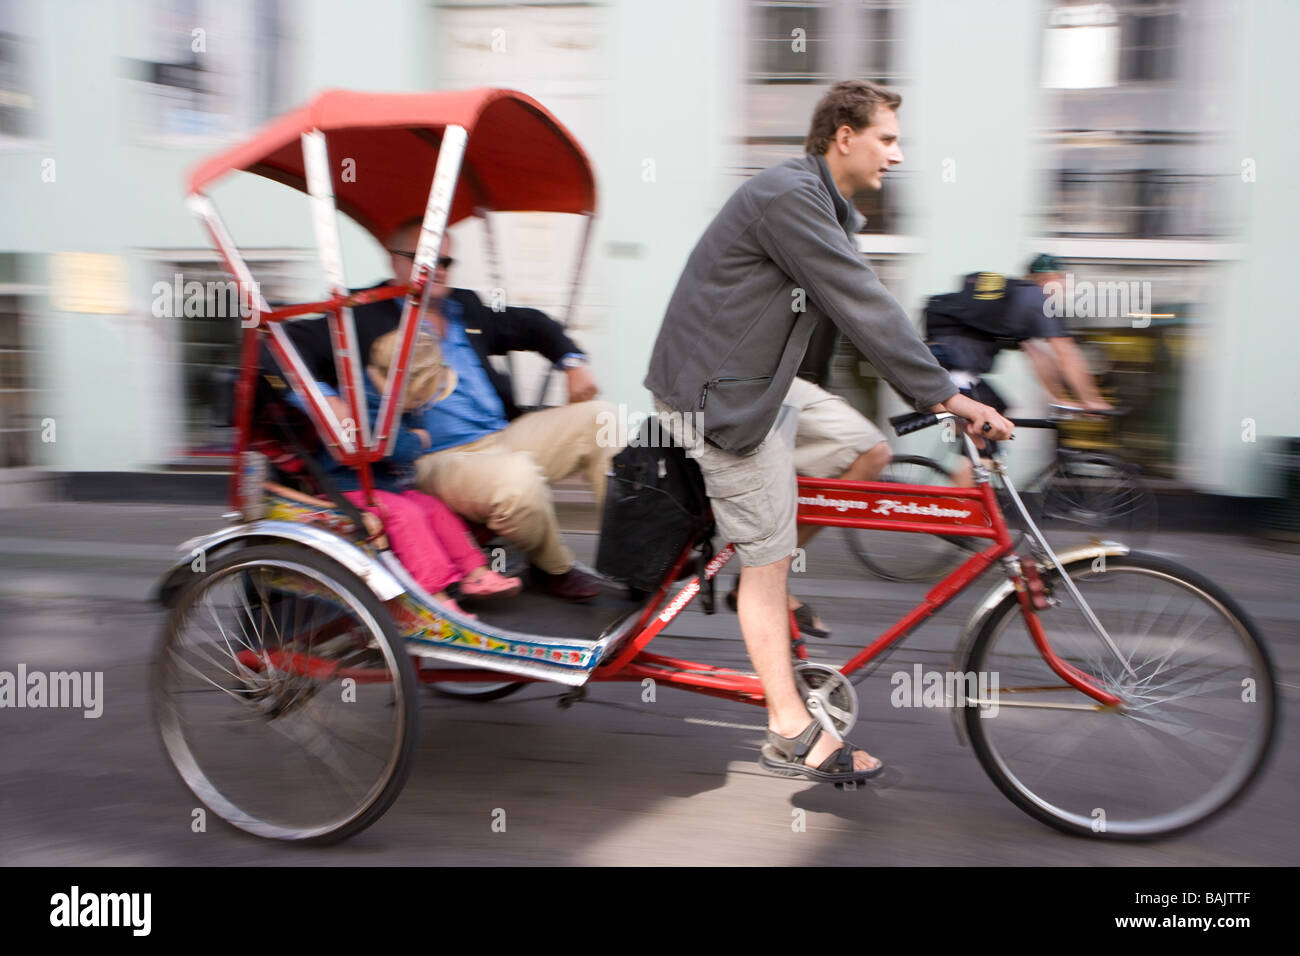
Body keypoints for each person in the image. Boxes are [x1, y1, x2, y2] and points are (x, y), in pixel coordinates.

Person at [644, 79, 1014, 785]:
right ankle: (788, 726)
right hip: (716, 393)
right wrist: (945, 396)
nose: (898, 156)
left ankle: (768, 576)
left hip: (764, 377)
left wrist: (929, 396)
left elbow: (836, 321)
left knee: (863, 448)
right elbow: (862, 301)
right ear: (844, 135)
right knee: (768, 551)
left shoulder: (824, 205)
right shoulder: (791, 196)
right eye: (888, 139)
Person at [360, 221, 617, 601]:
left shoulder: (465, 306)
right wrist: (322, 393)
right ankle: (554, 568)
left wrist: (572, 362)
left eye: (445, 259)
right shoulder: (364, 314)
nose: (439, 267)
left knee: (603, 419)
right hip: (435, 458)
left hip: (499, 436)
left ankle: (630, 559)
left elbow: (533, 323)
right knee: (517, 482)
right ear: (394, 262)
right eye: (424, 258)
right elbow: (296, 345)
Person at [312, 329, 523, 617]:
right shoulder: (363, 399)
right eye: (416, 401)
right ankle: (434, 594)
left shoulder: (393, 393)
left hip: (385, 484)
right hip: (349, 487)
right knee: (406, 516)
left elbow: (411, 427)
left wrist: (412, 433)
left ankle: (475, 573)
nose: (417, 408)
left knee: (434, 508)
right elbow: (397, 447)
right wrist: (418, 439)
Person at [926, 254, 1113, 486]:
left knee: (992, 420)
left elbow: (1038, 356)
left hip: (949, 367)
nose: (1063, 287)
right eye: (1061, 280)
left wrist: (1060, 398)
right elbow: (1066, 352)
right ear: (1049, 279)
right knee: (984, 439)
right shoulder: (1037, 297)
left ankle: (968, 501)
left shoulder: (1017, 297)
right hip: (954, 372)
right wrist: (1092, 400)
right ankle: (956, 513)